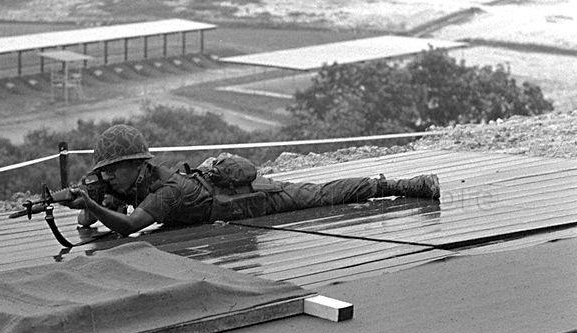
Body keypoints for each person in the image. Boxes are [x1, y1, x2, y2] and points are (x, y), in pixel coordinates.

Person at [61, 124, 439, 237]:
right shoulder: (131, 184)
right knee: (319, 194)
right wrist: (96, 197)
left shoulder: (167, 191)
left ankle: (394, 185)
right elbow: (84, 222)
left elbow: (129, 227)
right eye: (104, 171)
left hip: (253, 199)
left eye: (113, 169)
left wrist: (92, 203)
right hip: (224, 197)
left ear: (137, 165)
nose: (108, 175)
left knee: (321, 195)